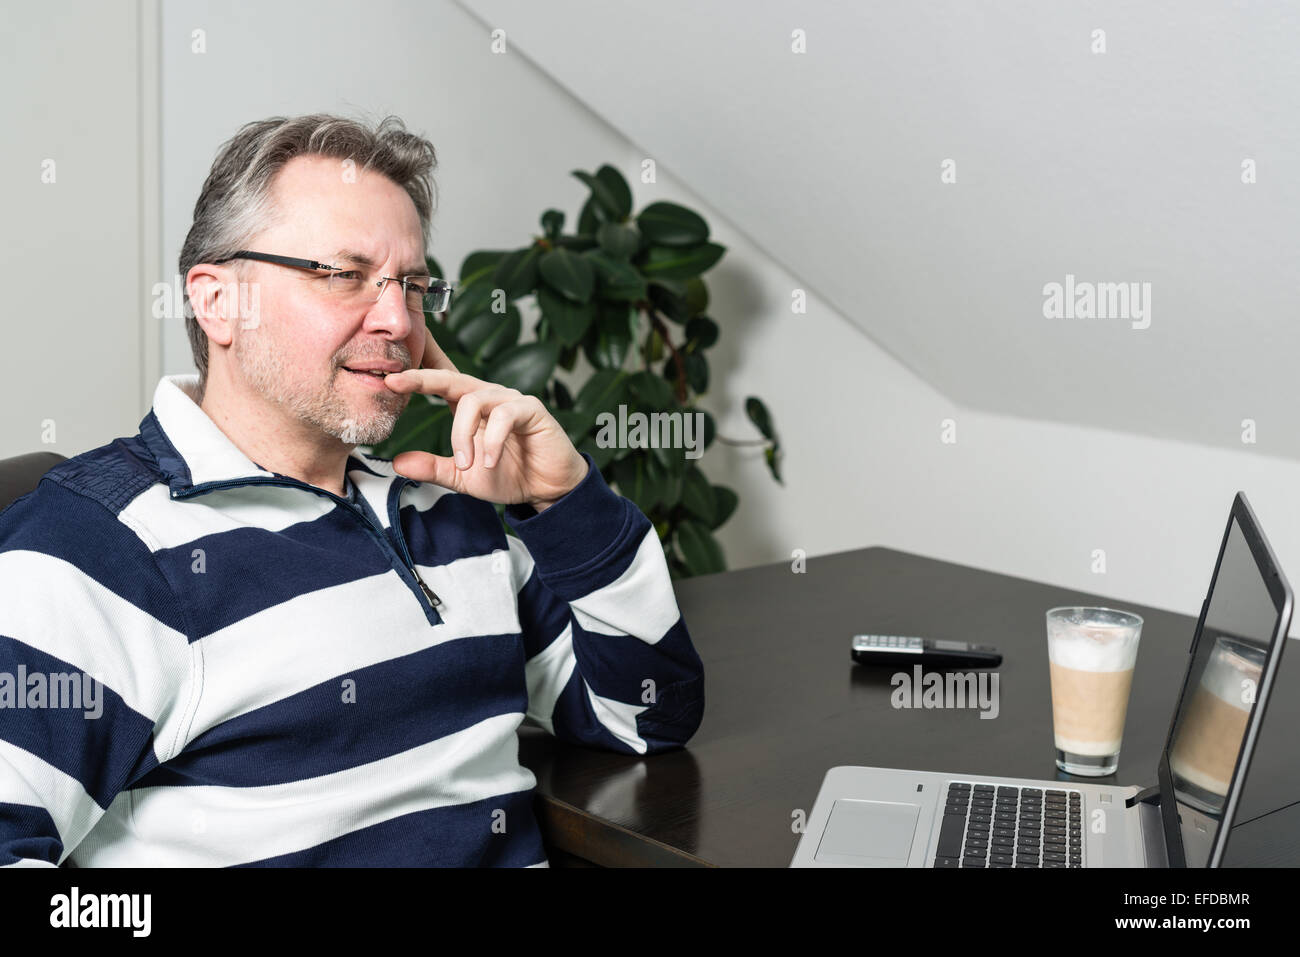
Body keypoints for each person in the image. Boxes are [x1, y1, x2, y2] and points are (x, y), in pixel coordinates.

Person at [0, 114, 705, 867]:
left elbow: (646, 716)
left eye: (411, 283)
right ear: (218, 302)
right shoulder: (93, 551)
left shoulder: (450, 508)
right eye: (344, 275)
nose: (398, 318)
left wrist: (566, 504)